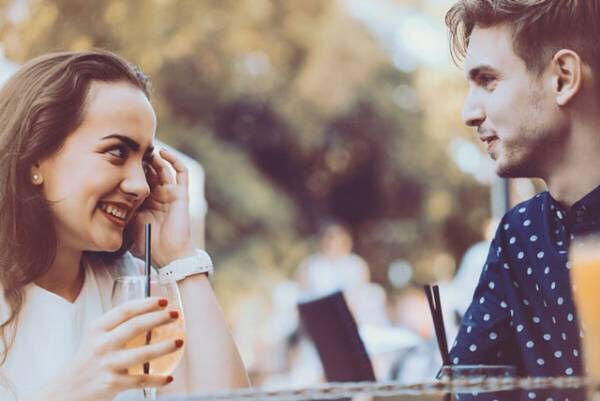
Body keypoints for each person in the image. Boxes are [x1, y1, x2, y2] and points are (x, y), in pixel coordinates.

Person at [0, 50, 249, 401]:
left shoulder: (137, 288)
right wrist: (74, 391)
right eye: (116, 152)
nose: (141, 185)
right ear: (34, 158)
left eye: (144, 162)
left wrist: (182, 259)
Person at [444, 0, 600, 376]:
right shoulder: (519, 235)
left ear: (563, 78)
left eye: (487, 80)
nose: (469, 113)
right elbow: (467, 386)